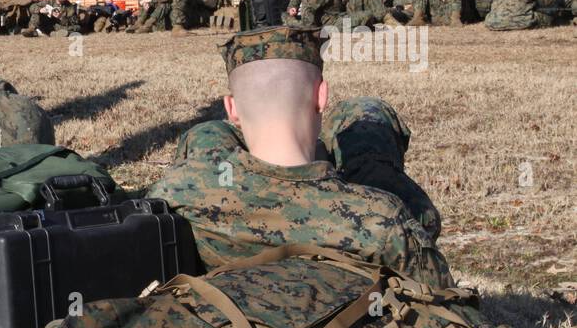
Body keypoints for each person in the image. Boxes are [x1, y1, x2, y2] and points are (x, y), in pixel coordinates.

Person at [146, 25, 451, 287]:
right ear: (322, 96)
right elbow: (448, 308)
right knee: (366, 117)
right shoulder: (382, 218)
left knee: (208, 132)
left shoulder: (177, 195)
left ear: (232, 109)